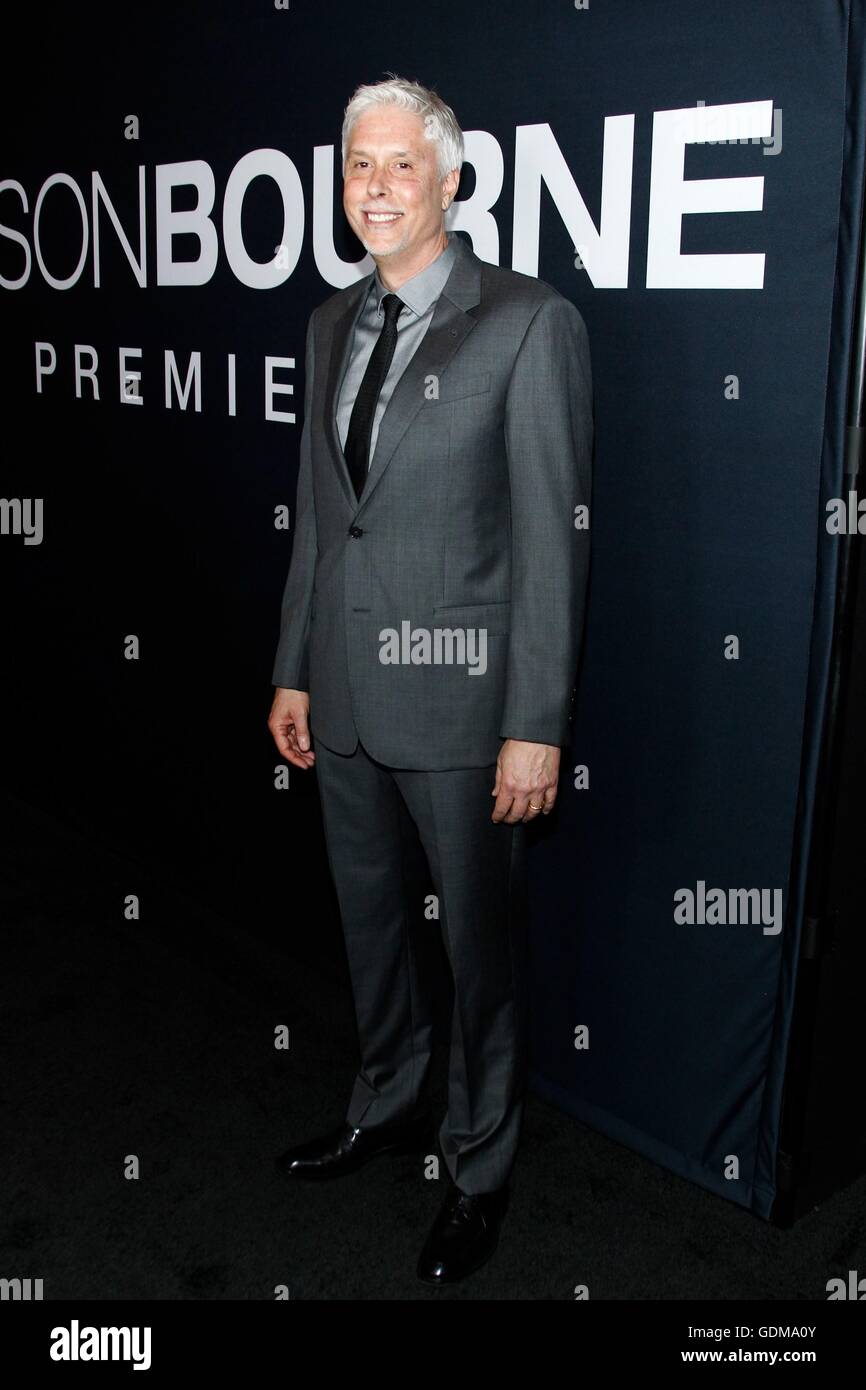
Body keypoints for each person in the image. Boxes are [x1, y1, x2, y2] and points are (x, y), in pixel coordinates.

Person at [267, 74, 593, 1285]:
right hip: (343, 698)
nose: (377, 187)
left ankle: (478, 1166)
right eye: (359, 165)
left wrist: (534, 724)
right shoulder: (325, 321)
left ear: (451, 180)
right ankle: (386, 1098)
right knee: (367, 930)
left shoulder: (525, 322)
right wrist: (293, 666)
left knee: (479, 958)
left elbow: (553, 540)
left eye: (402, 164)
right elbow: (319, 518)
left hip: (465, 709)